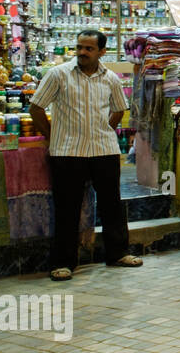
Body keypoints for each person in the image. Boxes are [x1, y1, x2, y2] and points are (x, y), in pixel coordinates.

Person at [29, 29, 142, 281]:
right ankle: (63, 262)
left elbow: (118, 109)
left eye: (89, 48)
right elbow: (36, 107)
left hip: (104, 150)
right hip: (68, 151)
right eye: (80, 47)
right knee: (67, 208)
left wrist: (104, 130)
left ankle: (117, 253)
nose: (82, 52)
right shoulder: (58, 75)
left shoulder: (110, 78)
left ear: (102, 51)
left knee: (112, 205)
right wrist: (52, 136)